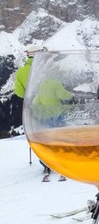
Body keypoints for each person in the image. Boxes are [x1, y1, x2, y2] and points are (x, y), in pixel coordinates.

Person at [14, 45, 66, 182]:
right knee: (60, 135)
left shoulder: (21, 72)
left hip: (36, 110)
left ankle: (46, 163)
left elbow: (19, 93)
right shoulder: (46, 70)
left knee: (42, 138)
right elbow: (58, 88)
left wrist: (30, 96)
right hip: (55, 108)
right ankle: (62, 161)